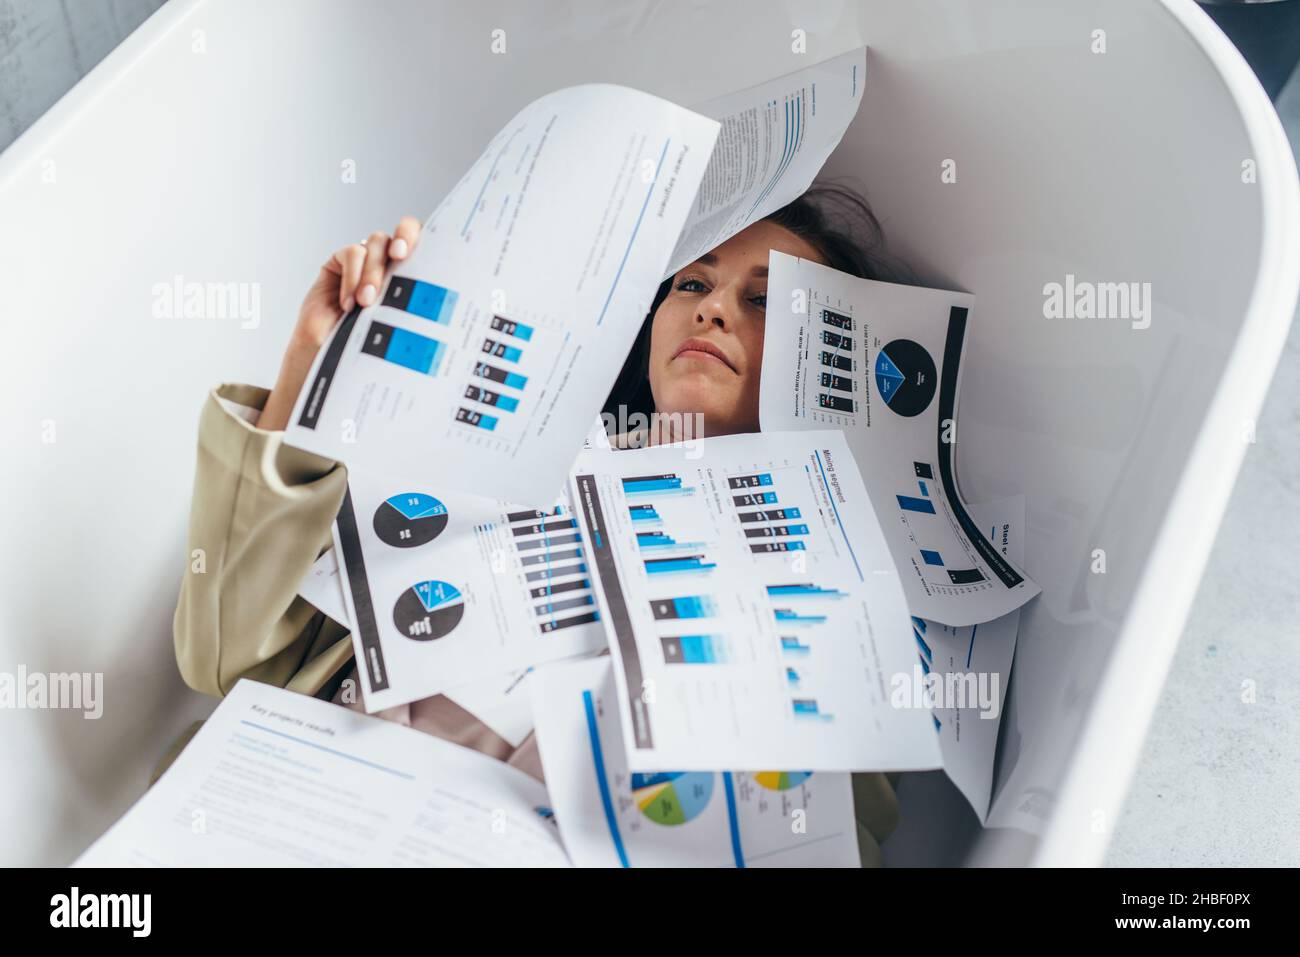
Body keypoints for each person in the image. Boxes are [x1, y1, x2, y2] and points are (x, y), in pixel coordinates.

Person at [161, 183, 905, 865]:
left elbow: (837, 839)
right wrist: (311, 369)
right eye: (694, 282)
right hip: (303, 821)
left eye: (766, 300)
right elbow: (230, 655)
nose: (713, 308)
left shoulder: (838, 605)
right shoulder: (495, 465)